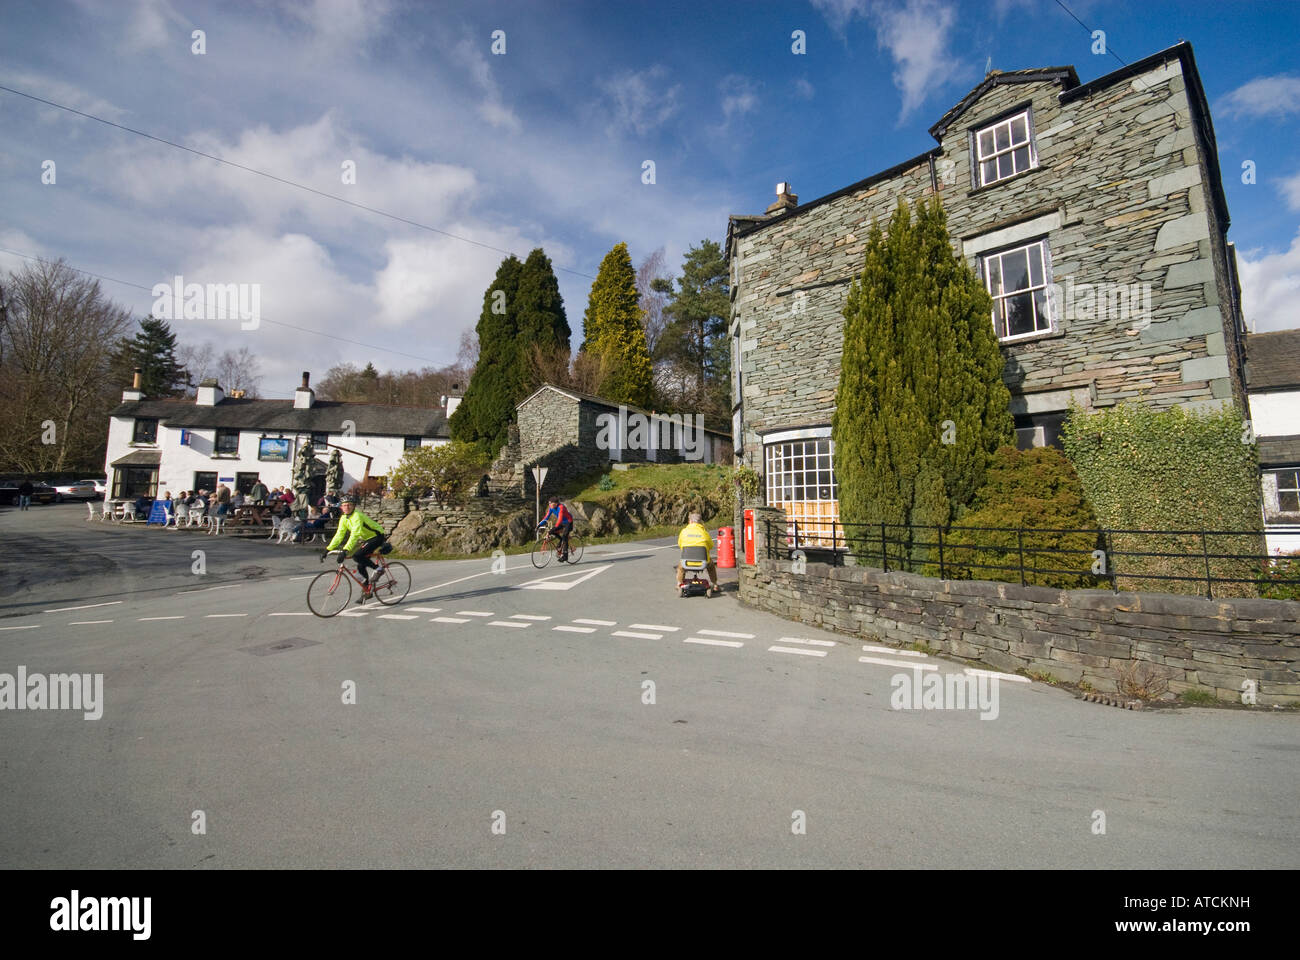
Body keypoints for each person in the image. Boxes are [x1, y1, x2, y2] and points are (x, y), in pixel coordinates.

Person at [322, 494, 388, 603]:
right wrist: (328, 549)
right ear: (341, 507)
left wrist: (346, 550)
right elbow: (339, 535)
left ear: (353, 506)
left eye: (349, 505)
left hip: (376, 536)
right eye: (344, 505)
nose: (347, 507)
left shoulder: (357, 516)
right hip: (366, 539)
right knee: (360, 565)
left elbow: (355, 534)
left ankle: (378, 569)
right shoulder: (344, 518)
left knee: (357, 555)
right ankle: (367, 591)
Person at [676, 512, 720, 596]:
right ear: (699, 522)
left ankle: (679, 584)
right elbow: (711, 546)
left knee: (680, 567)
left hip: (687, 562)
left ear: (690, 521)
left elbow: (680, 545)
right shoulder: (704, 533)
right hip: (702, 562)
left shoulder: (684, 532)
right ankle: (715, 584)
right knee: (711, 566)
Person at [538, 497, 573, 561]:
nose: (549, 505)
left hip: (568, 522)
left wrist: (551, 530)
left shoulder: (561, 507)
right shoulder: (551, 508)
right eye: (549, 503)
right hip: (561, 523)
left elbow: (559, 520)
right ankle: (561, 540)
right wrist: (539, 525)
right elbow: (546, 517)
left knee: (565, 536)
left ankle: (565, 556)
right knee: (554, 532)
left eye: (551, 504)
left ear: (556, 503)